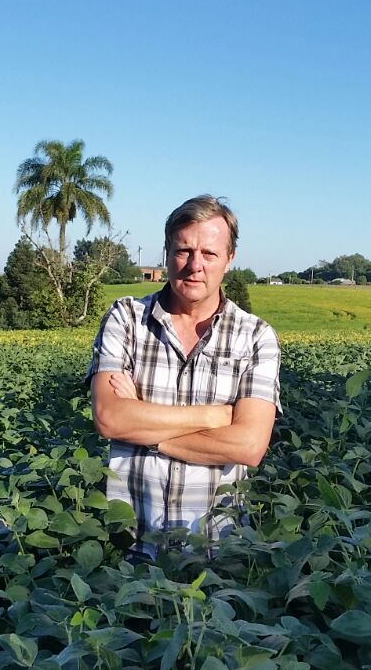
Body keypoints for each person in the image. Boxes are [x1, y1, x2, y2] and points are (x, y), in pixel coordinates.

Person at [86, 195, 281, 560]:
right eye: (183, 251)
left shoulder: (256, 336)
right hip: (129, 551)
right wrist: (215, 416)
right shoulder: (127, 318)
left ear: (229, 260)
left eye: (209, 254)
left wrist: (144, 423)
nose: (195, 265)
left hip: (218, 554)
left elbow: (248, 446)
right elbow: (109, 418)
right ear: (166, 252)